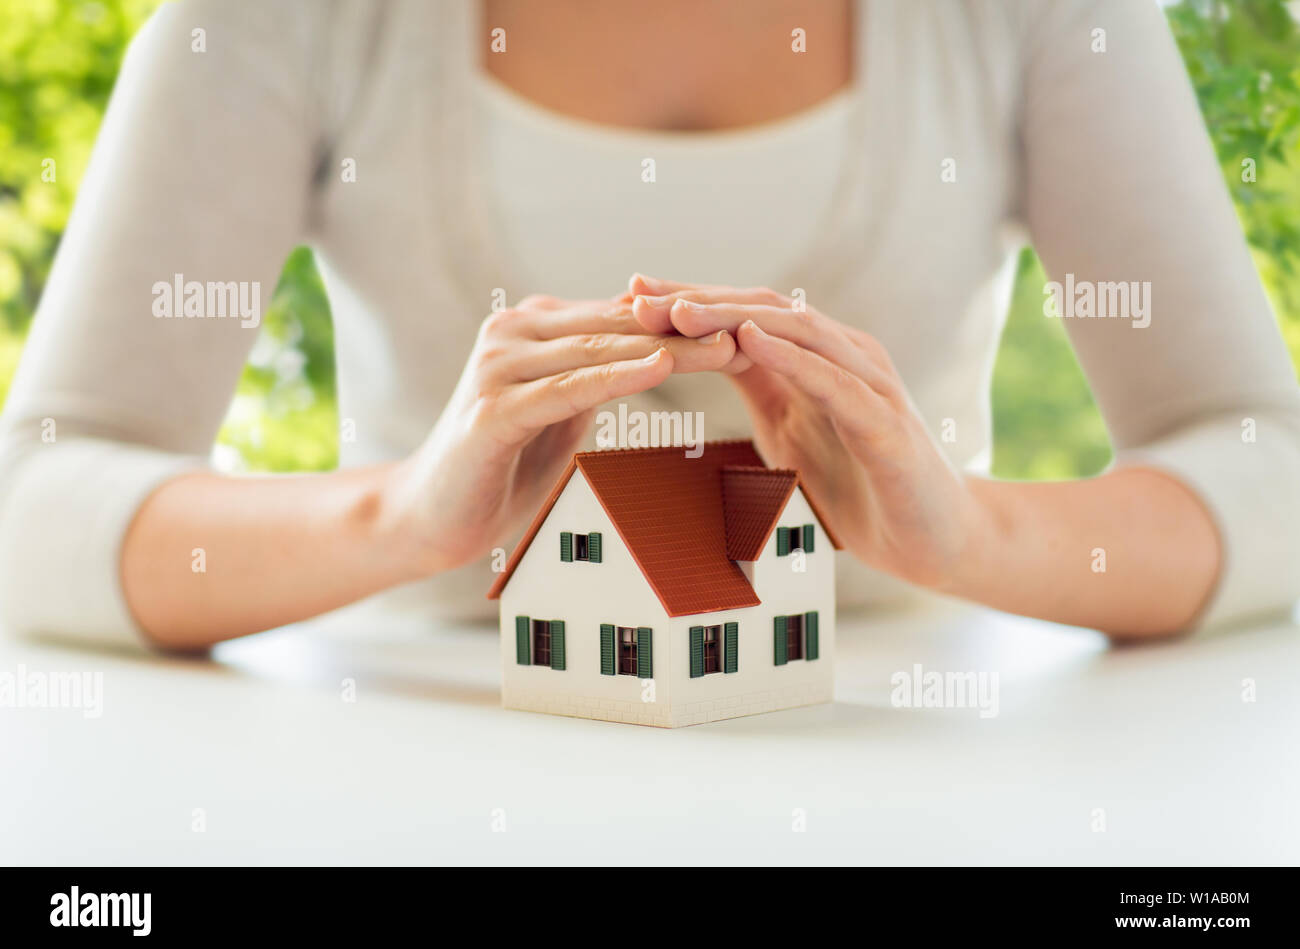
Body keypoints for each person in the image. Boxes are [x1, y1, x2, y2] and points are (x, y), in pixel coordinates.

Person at [1, 0, 1297, 652]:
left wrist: (972, 529)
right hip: (412, 775)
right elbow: (36, 494)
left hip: (914, 774)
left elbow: (1264, 460)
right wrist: (395, 520)